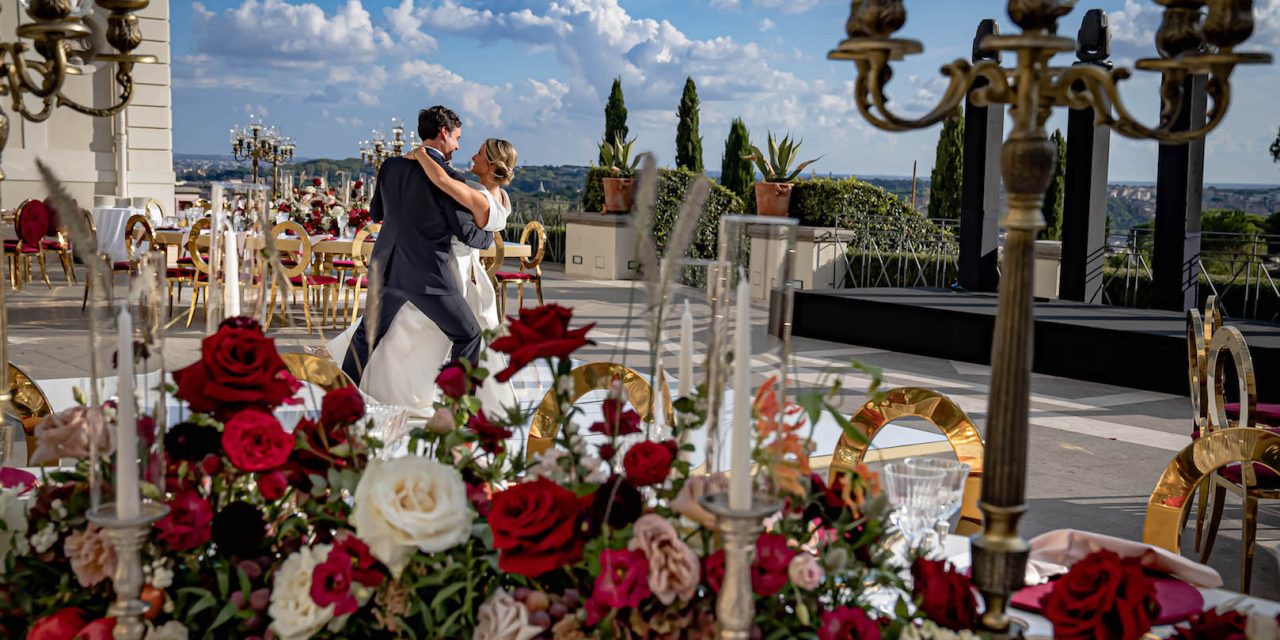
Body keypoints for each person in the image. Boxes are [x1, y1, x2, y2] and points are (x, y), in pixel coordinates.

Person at [330, 108, 518, 415]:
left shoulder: (390, 166)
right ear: (444, 133)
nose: (458, 145)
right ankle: (459, 410)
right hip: (429, 277)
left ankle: (340, 400)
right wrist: (491, 236)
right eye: (457, 137)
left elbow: (376, 214)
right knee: (469, 335)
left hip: (387, 268)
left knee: (367, 334)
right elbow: (468, 233)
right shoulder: (450, 180)